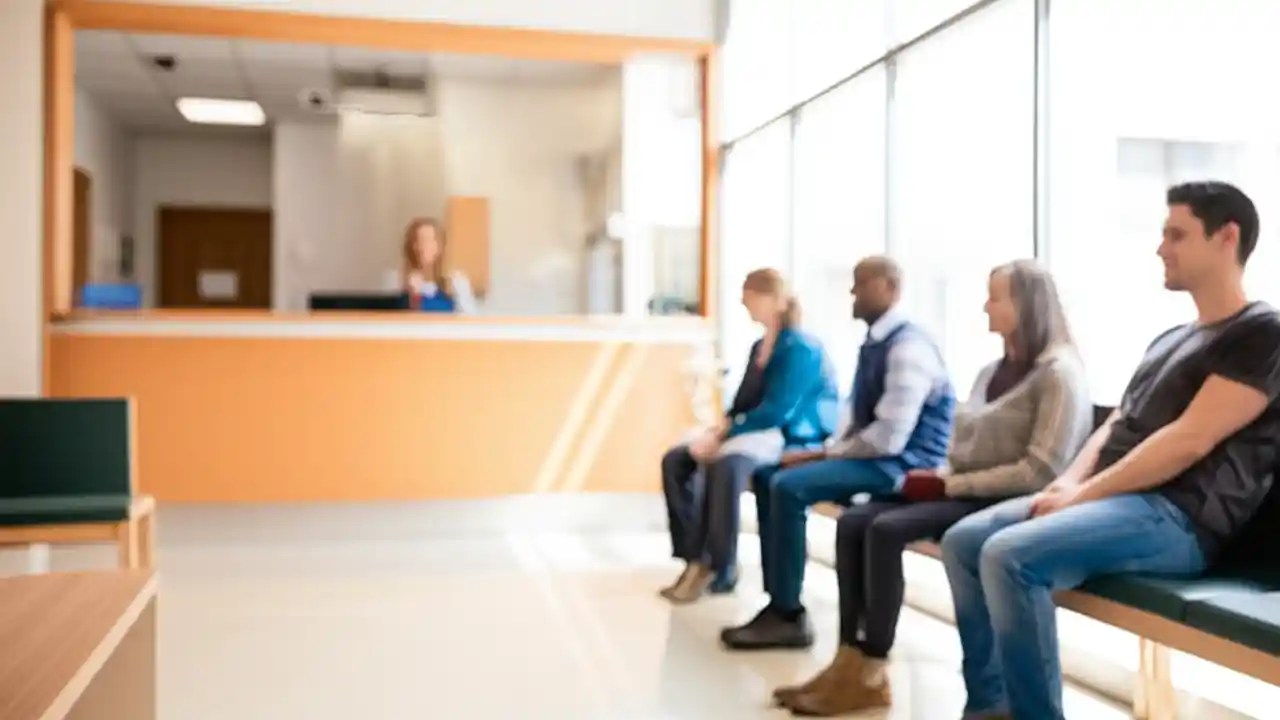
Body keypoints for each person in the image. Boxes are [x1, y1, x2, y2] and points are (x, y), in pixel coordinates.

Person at [941, 181, 1280, 720]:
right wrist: (1069, 483)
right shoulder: (1170, 337)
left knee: (1010, 557)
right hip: (1116, 502)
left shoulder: (1262, 333)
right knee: (962, 542)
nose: (1160, 247)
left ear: (1227, 237)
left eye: (1176, 234)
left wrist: (1083, 497)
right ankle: (991, 706)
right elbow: (1119, 425)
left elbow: (1188, 440)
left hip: (1178, 517)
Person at [777, 260, 1093, 716]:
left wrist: (950, 483)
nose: (986, 306)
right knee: (855, 523)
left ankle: (871, 668)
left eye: (995, 297)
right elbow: (966, 445)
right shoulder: (991, 370)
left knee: (884, 530)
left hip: (1004, 500)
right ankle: (851, 660)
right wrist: (940, 479)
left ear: (1025, 304)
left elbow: (1040, 472)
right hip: (963, 490)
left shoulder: (1059, 374)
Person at [721, 256, 956, 651]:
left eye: (862, 283)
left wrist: (822, 456)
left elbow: (889, 440)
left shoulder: (908, 348)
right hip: (875, 457)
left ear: (890, 289)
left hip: (904, 467)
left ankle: (788, 614)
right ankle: (780, 603)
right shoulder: (875, 344)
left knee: (788, 486)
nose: (852, 292)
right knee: (766, 476)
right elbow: (857, 423)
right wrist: (823, 453)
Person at [661, 269, 839, 604]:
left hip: (791, 438)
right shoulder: (761, 345)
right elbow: (743, 402)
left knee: (725, 468)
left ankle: (720, 565)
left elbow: (779, 411)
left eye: (750, 297)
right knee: (677, 460)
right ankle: (693, 558)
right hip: (755, 432)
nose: (745, 304)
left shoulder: (801, 347)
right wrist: (721, 428)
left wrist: (727, 434)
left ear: (773, 300)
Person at [402, 218, 476, 313]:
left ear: (439, 246)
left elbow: (468, 318)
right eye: (416, 241)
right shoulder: (403, 281)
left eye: (426, 241)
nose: (420, 247)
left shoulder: (456, 280)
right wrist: (414, 297)